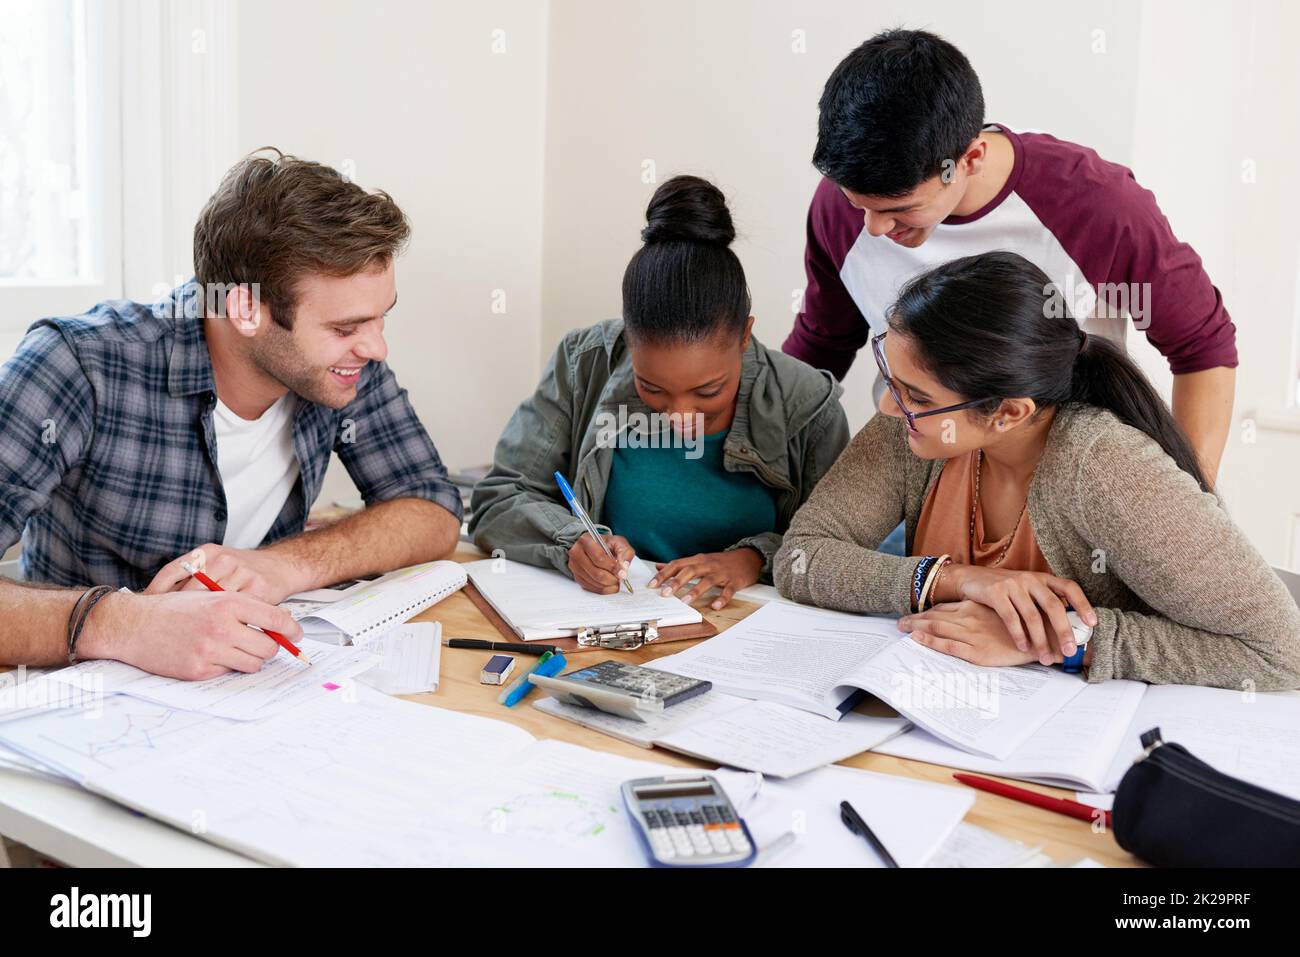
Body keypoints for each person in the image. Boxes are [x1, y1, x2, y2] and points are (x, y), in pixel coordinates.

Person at [0, 150, 462, 679]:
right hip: (80, 706)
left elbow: (432, 506)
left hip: (253, 700)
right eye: (345, 328)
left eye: (381, 318)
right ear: (245, 309)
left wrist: (283, 566)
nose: (376, 347)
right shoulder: (79, 364)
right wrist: (124, 624)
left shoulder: (341, 367)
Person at [775, 252, 1300, 691]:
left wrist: (1053, 641)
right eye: (891, 377)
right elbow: (801, 557)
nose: (889, 407)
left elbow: (1282, 650)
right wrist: (956, 580)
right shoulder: (915, 428)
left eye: (914, 396)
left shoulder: (1105, 467)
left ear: (1009, 413)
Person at [784, 28, 1236, 482]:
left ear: (971, 157)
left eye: (900, 209)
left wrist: (1193, 499)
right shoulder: (839, 210)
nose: (875, 227)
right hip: (919, 477)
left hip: (1067, 481)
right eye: (859, 204)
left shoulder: (1095, 206)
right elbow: (822, 346)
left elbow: (1201, 347)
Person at [472, 175, 849, 609]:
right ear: (629, 340)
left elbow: (839, 549)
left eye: (708, 391)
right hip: (614, 618)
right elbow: (498, 502)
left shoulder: (808, 405)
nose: (679, 416)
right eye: (651, 388)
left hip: (747, 632)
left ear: (745, 335)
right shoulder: (586, 361)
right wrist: (571, 543)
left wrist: (750, 560)